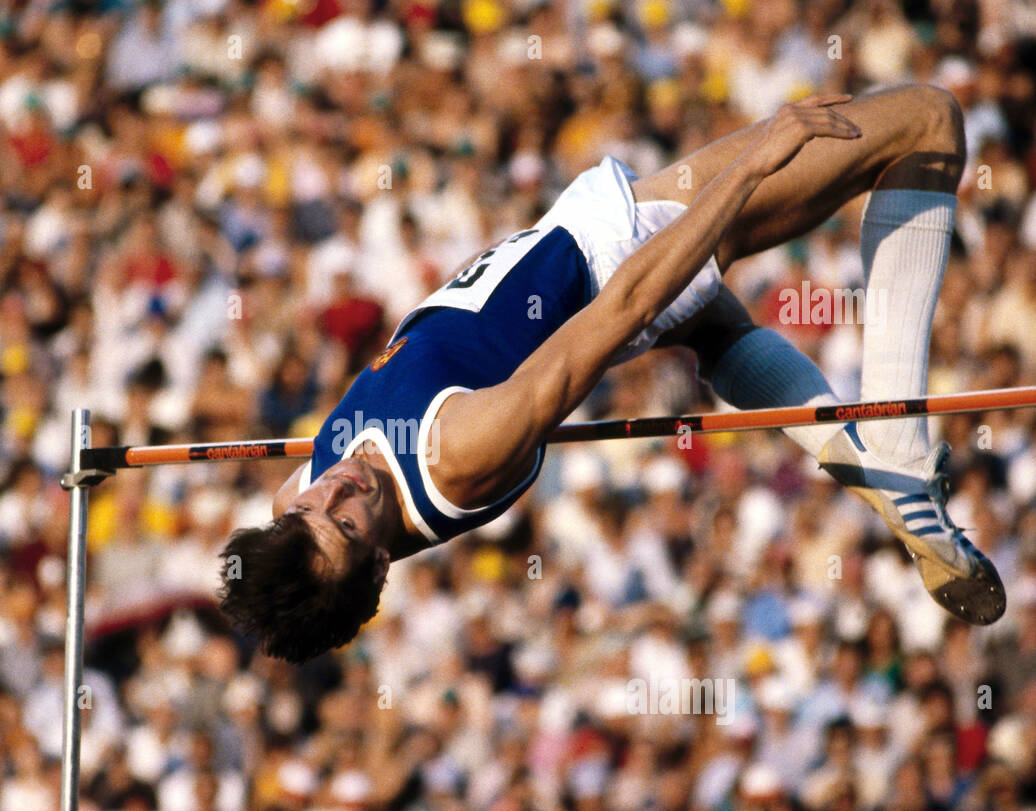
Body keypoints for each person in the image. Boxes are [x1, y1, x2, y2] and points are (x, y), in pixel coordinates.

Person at [219, 86, 1005, 663]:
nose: (336, 488)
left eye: (315, 506)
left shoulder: (309, 512)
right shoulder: (457, 452)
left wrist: (282, 551)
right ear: (380, 559)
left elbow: (279, 555)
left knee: (721, 329)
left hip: (597, 249)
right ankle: (900, 446)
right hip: (624, 250)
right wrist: (749, 167)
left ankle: (888, 487)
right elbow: (627, 304)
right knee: (927, 124)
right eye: (349, 521)